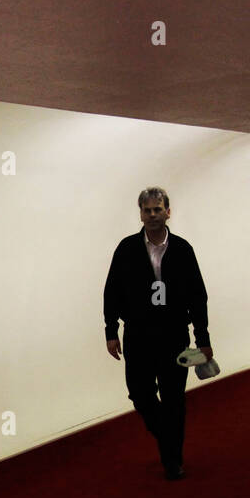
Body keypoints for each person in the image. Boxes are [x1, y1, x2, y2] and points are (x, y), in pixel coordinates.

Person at [103, 187, 212, 480]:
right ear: (140, 213)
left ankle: (172, 460)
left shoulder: (183, 249)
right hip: (137, 336)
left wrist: (203, 340)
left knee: (174, 397)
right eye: (147, 210)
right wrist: (110, 330)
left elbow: (197, 296)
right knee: (139, 393)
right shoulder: (126, 249)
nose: (152, 214)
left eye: (157, 209)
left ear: (168, 211)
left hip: (174, 336)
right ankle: (168, 436)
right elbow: (111, 290)